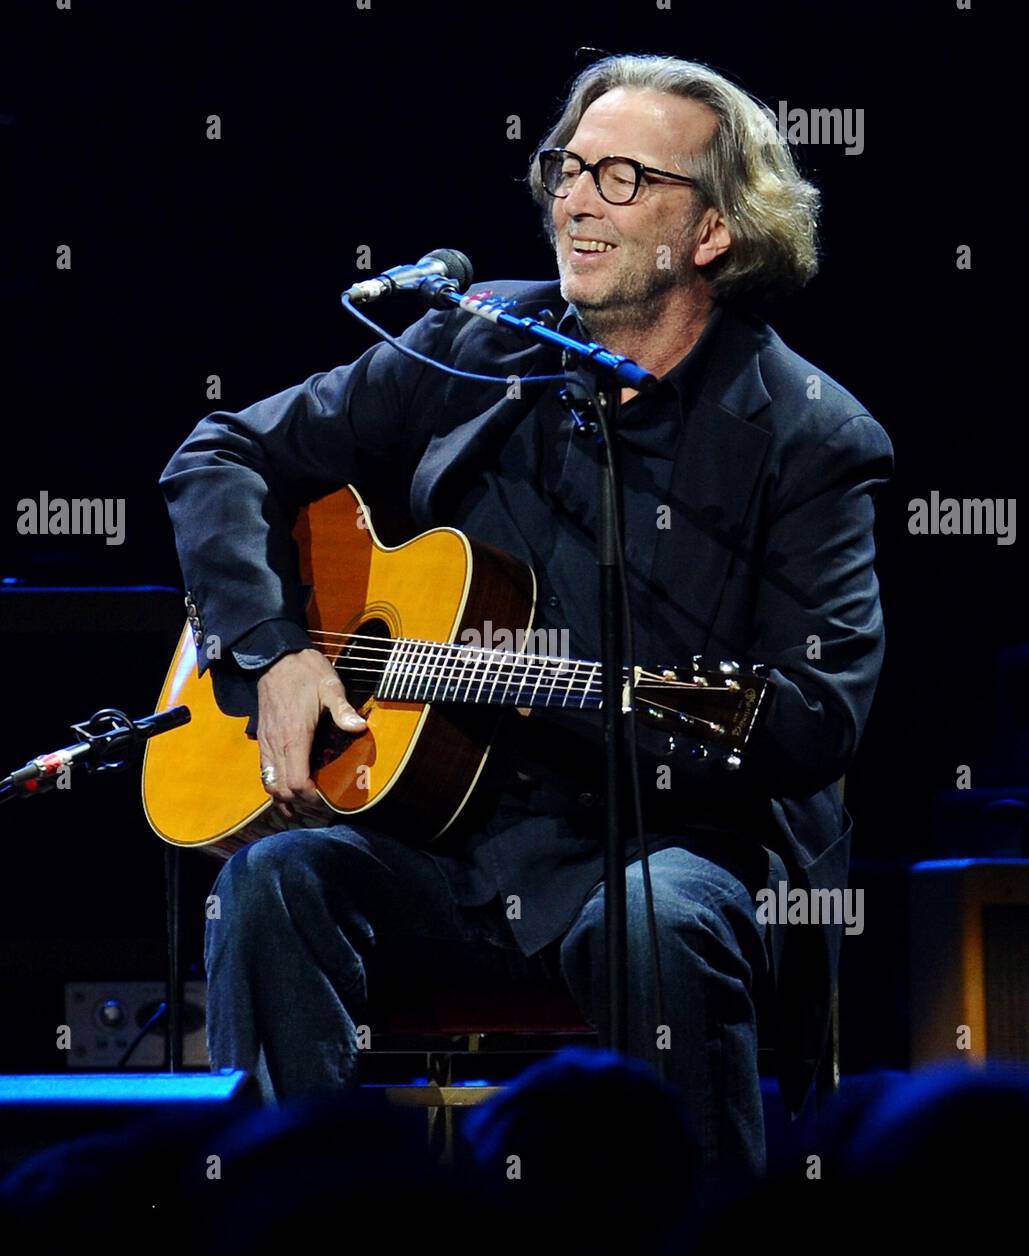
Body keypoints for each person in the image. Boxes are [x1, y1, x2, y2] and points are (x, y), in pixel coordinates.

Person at [159, 54, 893, 1180]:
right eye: (569, 166)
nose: (576, 199)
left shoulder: (809, 435)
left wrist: (592, 705)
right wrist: (276, 654)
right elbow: (223, 451)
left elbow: (815, 717)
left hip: (666, 848)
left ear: (712, 234)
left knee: (658, 918)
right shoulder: (476, 338)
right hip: (444, 836)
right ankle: (303, 1238)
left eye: (624, 178)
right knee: (272, 880)